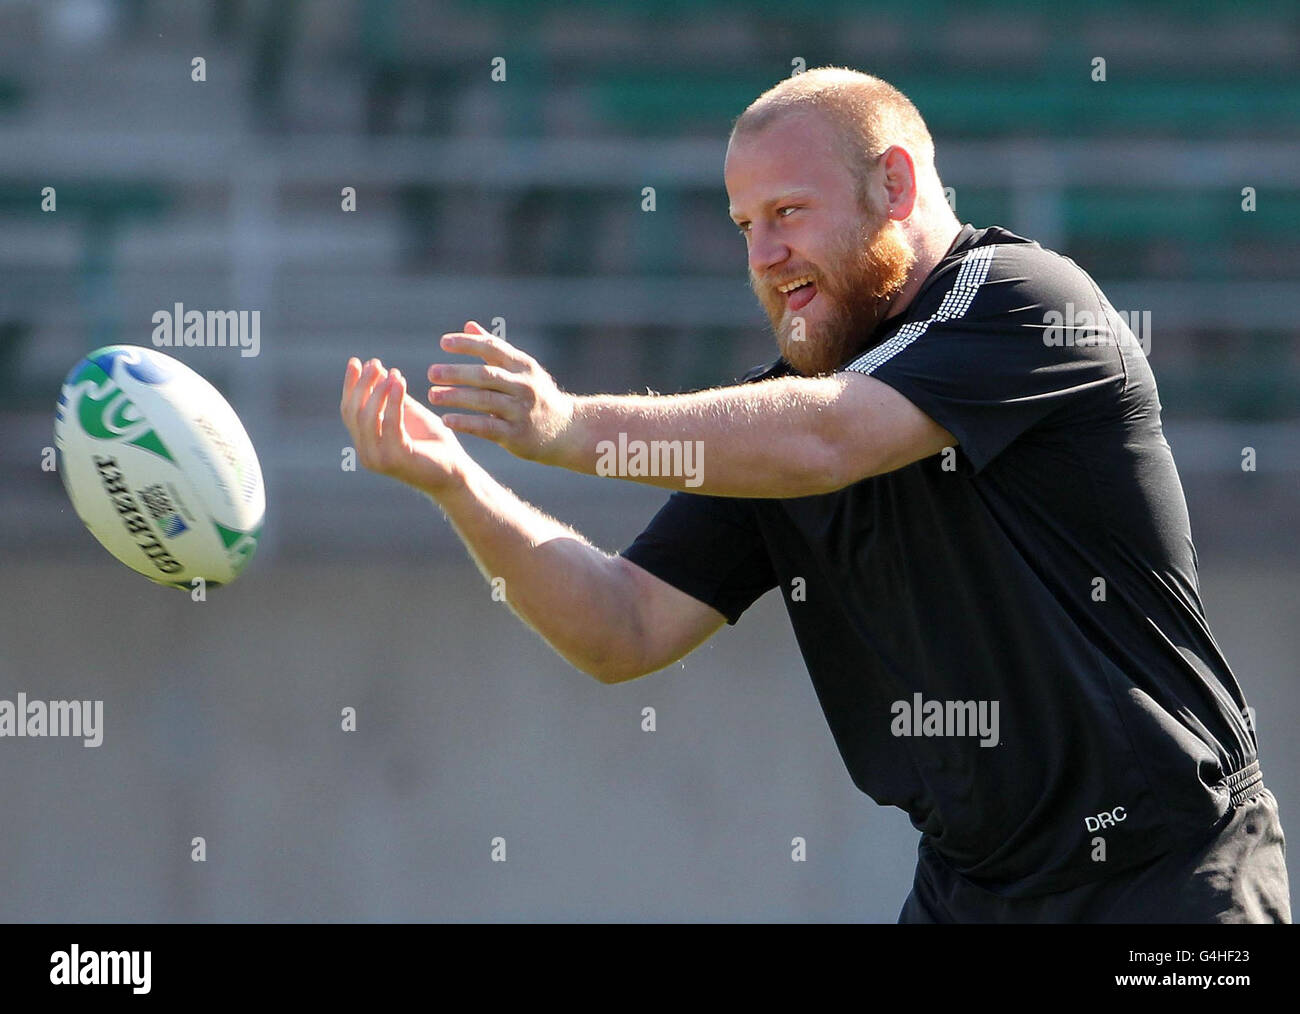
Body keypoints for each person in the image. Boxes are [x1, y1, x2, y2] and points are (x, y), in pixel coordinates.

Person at [339, 67, 1289, 923]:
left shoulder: (1023, 299)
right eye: (745, 225)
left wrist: (565, 425)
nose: (763, 253)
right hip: (973, 891)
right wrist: (459, 485)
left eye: (789, 210)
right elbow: (621, 627)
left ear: (897, 186)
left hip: (1169, 875)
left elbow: (831, 437)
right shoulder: (772, 427)